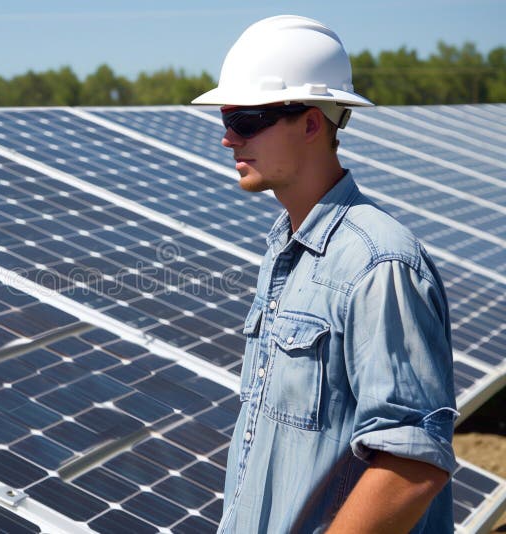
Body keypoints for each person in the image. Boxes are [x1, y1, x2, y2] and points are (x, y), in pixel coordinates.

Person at [192, 15, 457, 533]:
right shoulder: (286, 250)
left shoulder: (379, 264)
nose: (227, 138)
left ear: (311, 123)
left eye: (245, 119)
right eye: (225, 117)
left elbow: (411, 462)